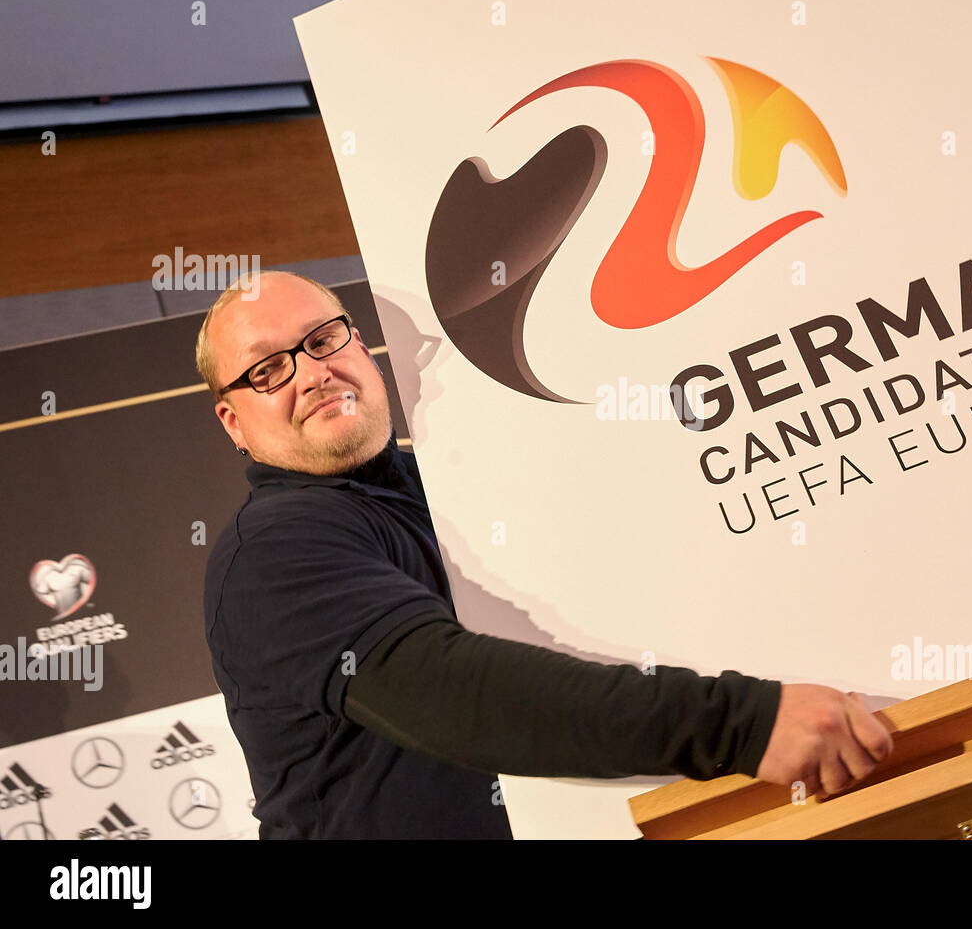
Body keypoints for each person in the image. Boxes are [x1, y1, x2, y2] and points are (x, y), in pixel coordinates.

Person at [197, 270, 894, 838]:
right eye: (267, 370)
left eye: (323, 339)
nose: (312, 372)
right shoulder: (272, 551)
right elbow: (455, 694)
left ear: (360, 346)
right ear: (233, 422)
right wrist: (743, 724)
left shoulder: (449, 488)